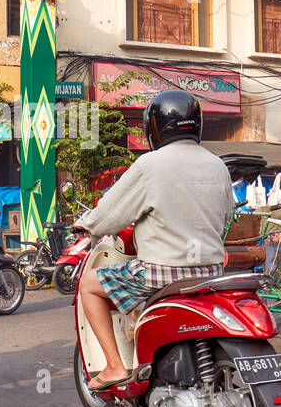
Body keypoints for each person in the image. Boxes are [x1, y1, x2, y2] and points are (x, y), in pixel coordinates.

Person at [75, 90, 235, 390]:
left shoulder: (150, 164)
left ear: (156, 128)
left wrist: (86, 226)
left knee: (89, 285)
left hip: (160, 275)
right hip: (210, 275)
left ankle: (113, 366)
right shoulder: (218, 166)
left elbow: (108, 216)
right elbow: (224, 218)